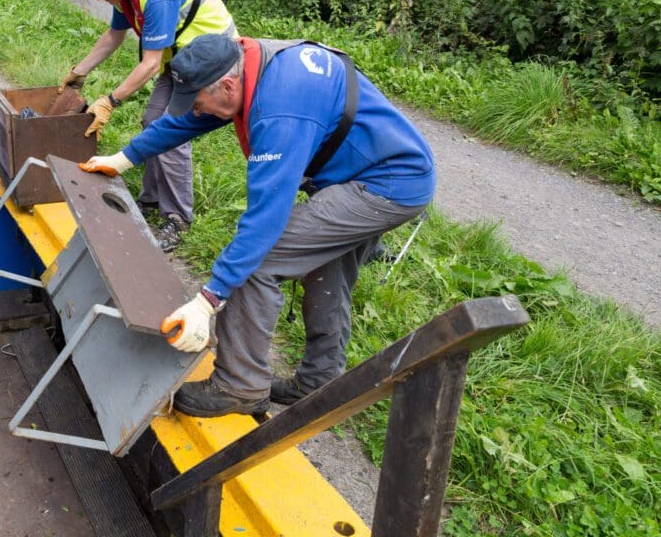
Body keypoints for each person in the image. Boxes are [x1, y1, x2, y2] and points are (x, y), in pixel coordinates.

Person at [81, 33, 435, 417]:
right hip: (371, 171)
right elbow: (187, 122)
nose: (197, 111)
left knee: (259, 261)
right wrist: (126, 157)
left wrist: (209, 299)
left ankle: (239, 385)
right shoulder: (246, 62)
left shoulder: (280, 110)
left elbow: (265, 220)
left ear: (228, 86)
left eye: (199, 103)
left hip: (387, 184)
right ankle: (321, 382)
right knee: (319, 264)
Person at [63, 0, 238, 250]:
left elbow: (150, 63)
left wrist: (110, 101)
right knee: (150, 120)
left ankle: (178, 218)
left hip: (214, 63)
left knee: (171, 132)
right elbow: (114, 36)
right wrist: (80, 71)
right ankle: (151, 199)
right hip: (181, 59)